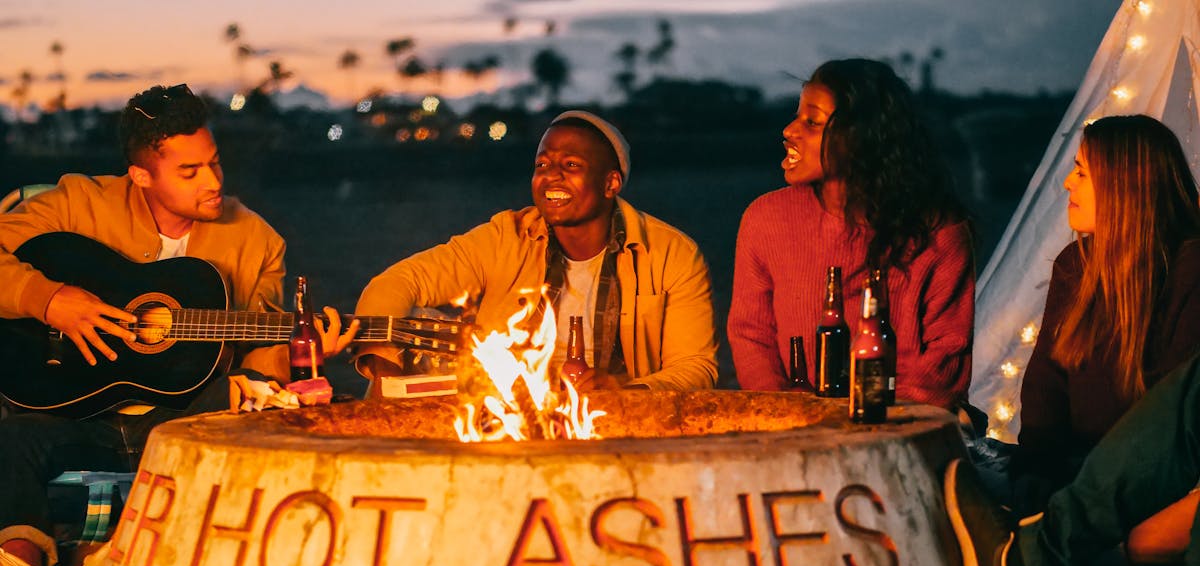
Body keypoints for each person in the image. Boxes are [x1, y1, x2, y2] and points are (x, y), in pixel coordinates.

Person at [0, 84, 352, 566]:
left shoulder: (258, 241)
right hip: (69, 410)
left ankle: (166, 561)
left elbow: (256, 355)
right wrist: (48, 300)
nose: (213, 182)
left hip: (181, 418)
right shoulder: (76, 204)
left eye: (214, 163)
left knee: (248, 418)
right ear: (141, 175)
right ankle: (21, 565)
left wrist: (297, 354)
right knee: (13, 436)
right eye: (189, 172)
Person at [354, 110, 717, 392]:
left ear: (611, 183)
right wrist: (386, 374)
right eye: (542, 165)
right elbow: (400, 282)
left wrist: (627, 390)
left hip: (615, 419)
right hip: (510, 413)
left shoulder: (672, 253)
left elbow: (695, 367)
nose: (551, 176)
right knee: (421, 323)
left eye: (571, 165)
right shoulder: (508, 236)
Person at [727, 58, 974, 409]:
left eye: (812, 122)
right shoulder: (766, 219)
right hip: (794, 430)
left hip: (903, 430)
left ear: (863, 137)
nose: (789, 130)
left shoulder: (938, 234)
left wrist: (859, 423)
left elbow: (944, 364)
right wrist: (785, 412)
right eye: (797, 116)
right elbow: (752, 336)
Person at [1012, 114, 1200, 515]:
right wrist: (1036, 468)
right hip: (1073, 476)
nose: (1067, 184)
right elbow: (1047, 380)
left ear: (1123, 183)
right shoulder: (1075, 265)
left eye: (1081, 172)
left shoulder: (1189, 272)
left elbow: (1171, 416)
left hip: (1151, 489)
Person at [944, 352, 1200, 566]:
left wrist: (1125, 557)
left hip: (1135, 534)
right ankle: (1021, 565)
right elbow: (1043, 405)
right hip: (1064, 487)